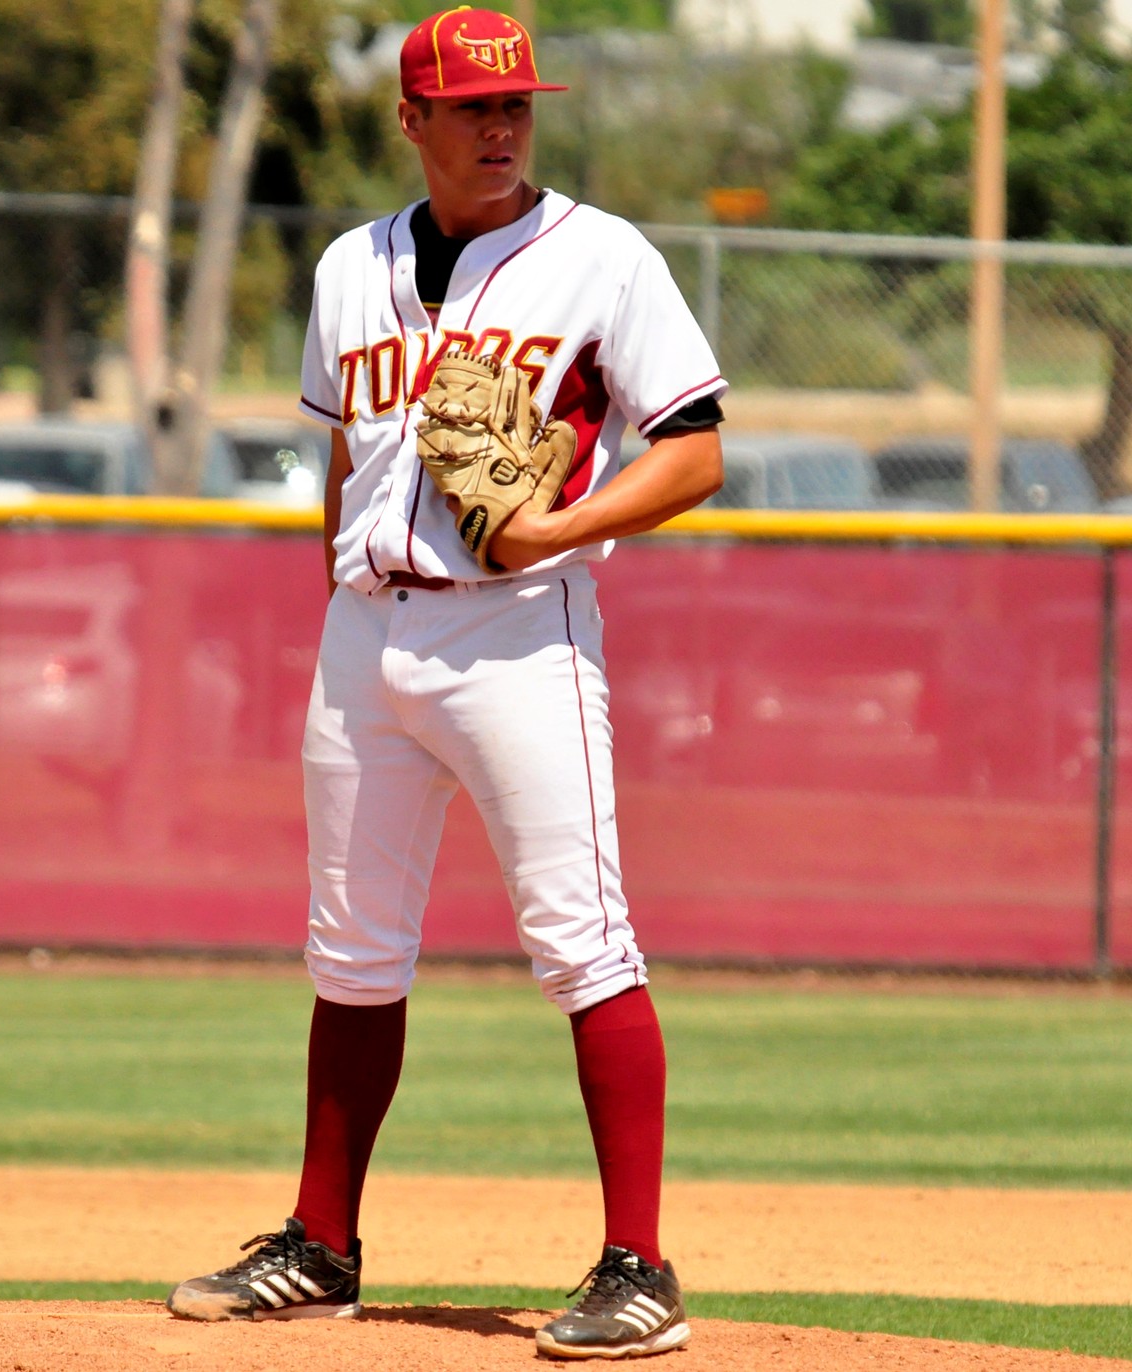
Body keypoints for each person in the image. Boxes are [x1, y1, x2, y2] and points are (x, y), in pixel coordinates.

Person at [166, 6, 725, 1360]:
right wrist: (353, 594)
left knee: (584, 943)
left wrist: (559, 529)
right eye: (473, 108)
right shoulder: (350, 270)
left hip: (522, 631)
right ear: (411, 121)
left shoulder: (601, 257)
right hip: (369, 639)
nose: (502, 126)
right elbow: (346, 468)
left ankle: (640, 1267)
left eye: (518, 104)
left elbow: (696, 451)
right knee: (350, 954)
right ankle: (322, 1243)